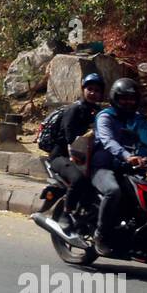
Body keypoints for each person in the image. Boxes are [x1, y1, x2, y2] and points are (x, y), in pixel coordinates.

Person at [90, 76, 147, 254]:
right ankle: (100, 235)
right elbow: (108, 141)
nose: (127, 102)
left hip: (131, 167)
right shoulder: (106, 117)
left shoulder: (138, 119)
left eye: (131, 98)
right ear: (115, 99)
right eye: (123, 98)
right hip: (105, 166)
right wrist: (127, 156)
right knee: (113, 191)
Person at [44, 73, 106, 247]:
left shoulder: (100, 113)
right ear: (83, 90)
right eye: (90, 89)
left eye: (97, 90)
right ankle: (65, 215)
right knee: (78, 179)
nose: (93, 93)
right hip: (62, 156)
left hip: (86, 157)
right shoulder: (74, 109)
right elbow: (71, 138)